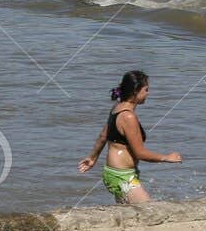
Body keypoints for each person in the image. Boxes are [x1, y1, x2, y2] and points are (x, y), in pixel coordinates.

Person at [77, 70, 181, 203]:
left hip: (115, 173)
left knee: (130, 212)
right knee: (149, 210)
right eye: (146, 90)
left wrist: (92, 157)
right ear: (135, 91)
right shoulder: (128, 116)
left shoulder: (117, 108)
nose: (148, 93)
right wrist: (167, 157)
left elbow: (103, 136)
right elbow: (140, 153)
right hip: (122, 176)